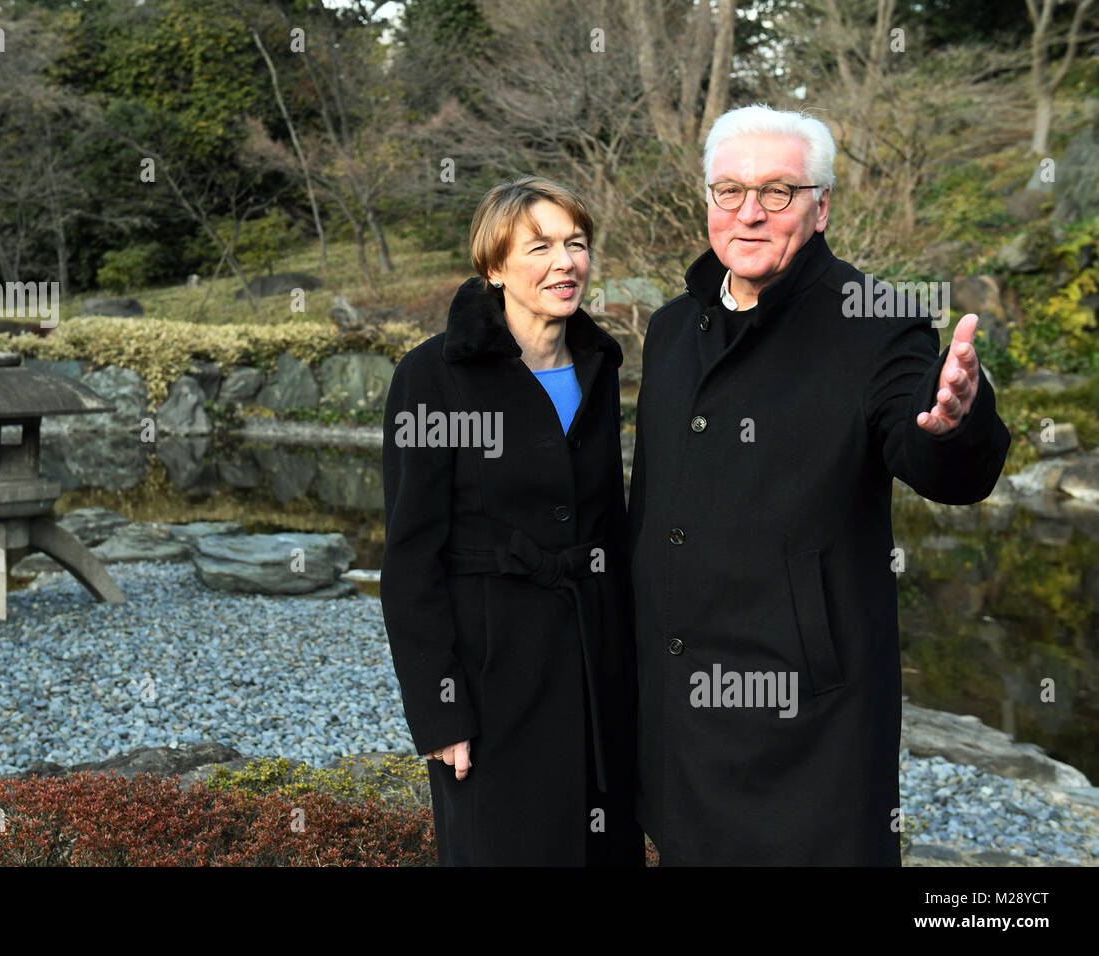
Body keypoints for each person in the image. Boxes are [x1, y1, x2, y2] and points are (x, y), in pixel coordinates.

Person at [627, 105, 1010, 865]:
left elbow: (930, 450)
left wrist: (955, 422)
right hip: (678, 702)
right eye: (729, 190)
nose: (749, 213)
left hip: (805, 720)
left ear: (822, 205)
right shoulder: (672, 327)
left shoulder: (876, 323)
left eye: (778, 192)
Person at [380, 176, 643, 866]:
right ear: (495, 266)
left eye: (576, 244)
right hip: (490, 678)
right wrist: (439, 712)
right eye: (541, 247)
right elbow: (410, 560)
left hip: (592, 664)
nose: (566, 263)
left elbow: (610, 528)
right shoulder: (433, 376)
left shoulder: (597, 365)